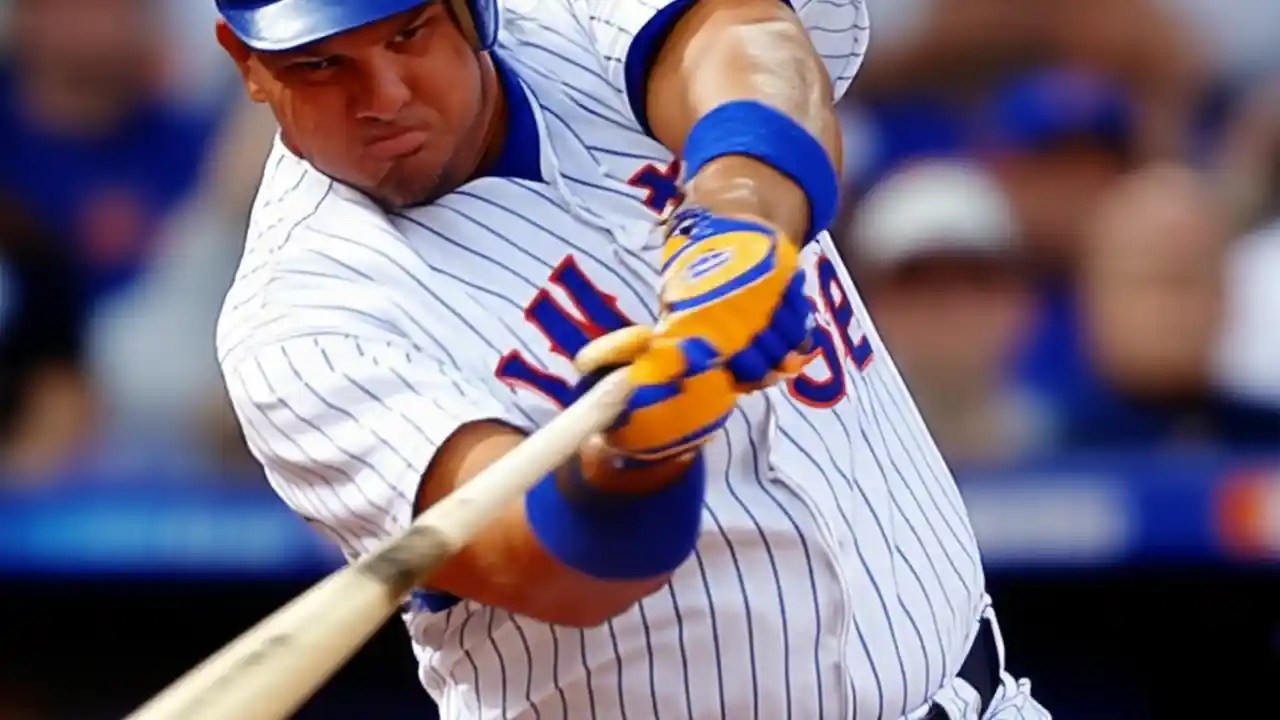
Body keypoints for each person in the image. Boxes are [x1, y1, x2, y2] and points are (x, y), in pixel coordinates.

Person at [212, 1, 1049, 718]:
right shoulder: (301, 323)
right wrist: (635, 456)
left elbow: (755, 42)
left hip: (978, 691)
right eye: (322, 65)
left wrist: (740, 220)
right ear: (248, 64)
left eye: (409, 35)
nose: (383, 98)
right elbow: (557, 562)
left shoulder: (569, 20)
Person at [846, 160, 1049, 466]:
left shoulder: (1086, 440)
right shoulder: (828, 457)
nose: (953, 308)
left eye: (978, 281)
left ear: (1022, 303)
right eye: (919, 286)